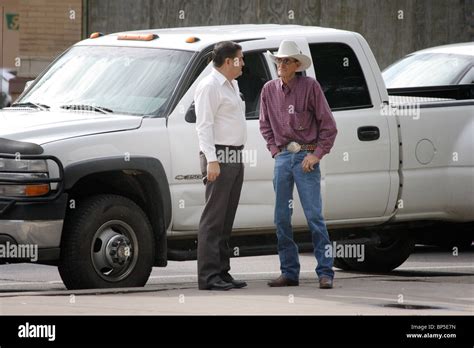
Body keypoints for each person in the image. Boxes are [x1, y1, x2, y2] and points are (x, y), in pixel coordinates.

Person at [259, 40, 338, 289]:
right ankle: (289, 272)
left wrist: (316, 155)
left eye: (285, 61)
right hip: (283, 157)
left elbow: (329, 127)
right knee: (281, 218)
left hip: (306, 157)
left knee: (315, 217)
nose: (280, 65)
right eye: (278, 61)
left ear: (296, 64)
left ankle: (325, 273)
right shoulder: (268, 90)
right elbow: (265, 125)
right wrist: (275, 152)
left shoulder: (310, 87)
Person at [195, 41, 248, 291]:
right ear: (228, 61)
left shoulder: (232, 84)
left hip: (235, 156)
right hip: (220, 156)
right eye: (240, 59)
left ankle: (222, 272)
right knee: (213, 219)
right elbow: (203, 126)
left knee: (226, 219)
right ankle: (208, 277)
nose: (243, 63)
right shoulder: (209, 86)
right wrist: (212, 160)